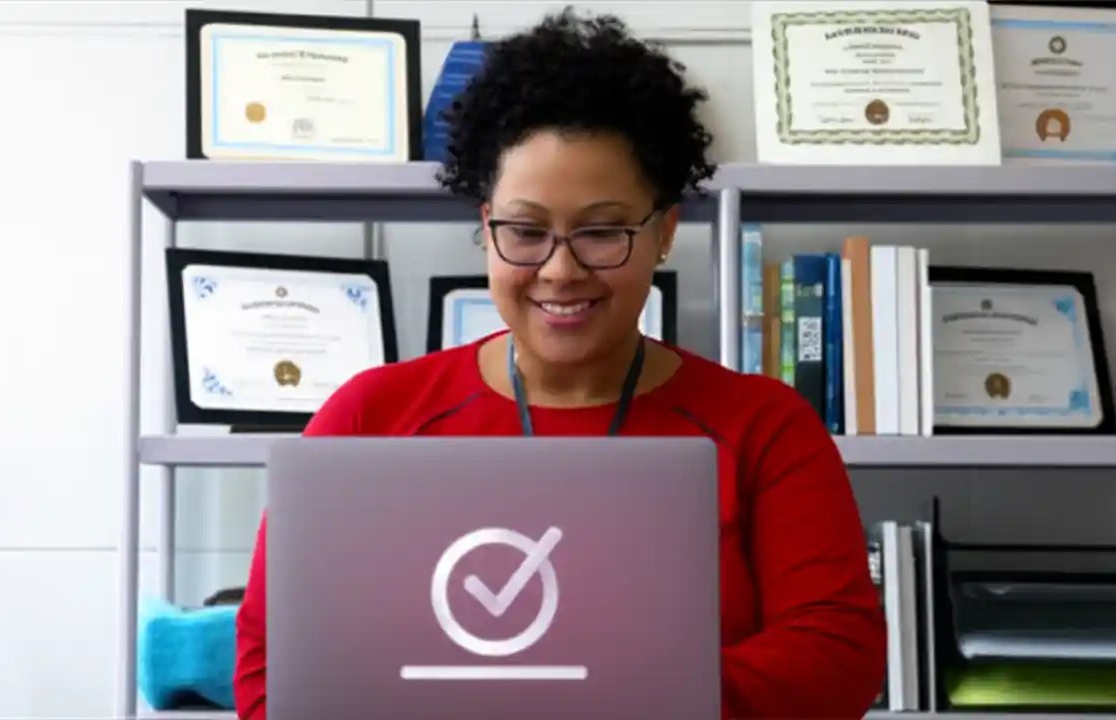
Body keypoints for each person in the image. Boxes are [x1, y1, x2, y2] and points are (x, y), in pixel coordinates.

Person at [233, 8, 885, 719]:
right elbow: (273, 675)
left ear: (664, 232)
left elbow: (837, 659)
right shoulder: (371, 417)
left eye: (603, 231)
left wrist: (595, 692)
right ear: (485, 229)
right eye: (526, 231)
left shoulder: (764, 426)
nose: (560, 270)